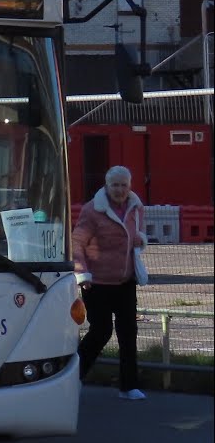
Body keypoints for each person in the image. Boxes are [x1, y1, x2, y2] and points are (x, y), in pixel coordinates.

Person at [72, 165, 147, 400]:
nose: (120, 189)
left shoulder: (136, 208)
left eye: (124, 185)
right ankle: (72, 378)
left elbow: (138, 233)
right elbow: (77, 244)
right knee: (101, 331)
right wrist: (82, 274)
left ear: (130, 186)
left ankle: (129, 386)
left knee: (128, 333)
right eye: (115, 185)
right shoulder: (92, 210)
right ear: (107, 185)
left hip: (125, 281)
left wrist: (138, 239)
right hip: (97, 284)